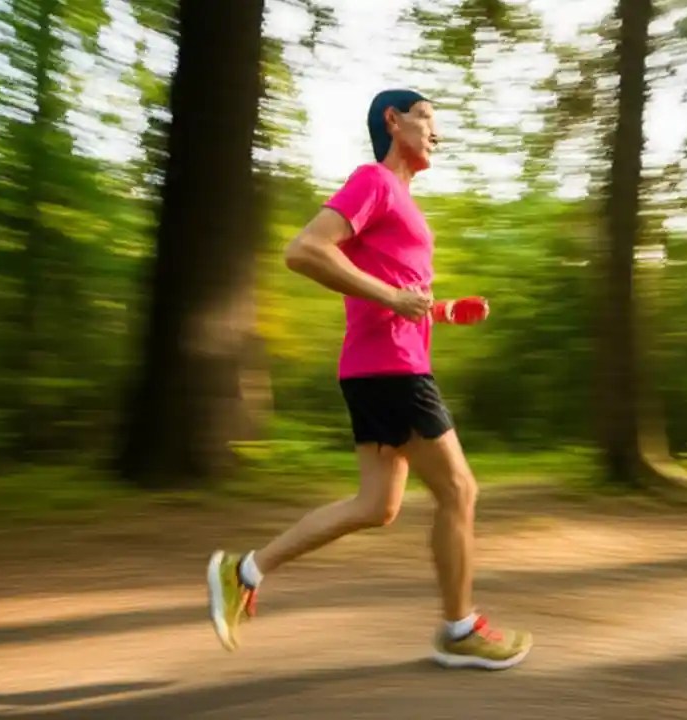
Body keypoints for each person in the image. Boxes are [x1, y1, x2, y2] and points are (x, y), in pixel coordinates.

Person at [206, 89, 531, 671]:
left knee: (377, 505)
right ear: (392, 120)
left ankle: (244, 571)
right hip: (392, 369)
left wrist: (441, 310)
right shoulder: (374, 181)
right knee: (459, 490)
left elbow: (396, 294)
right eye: (427, 118)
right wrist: (393, 298)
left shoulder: (402, 201)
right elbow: (304, 251)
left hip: (376, 367)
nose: (437, 132)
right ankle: (461, 630)